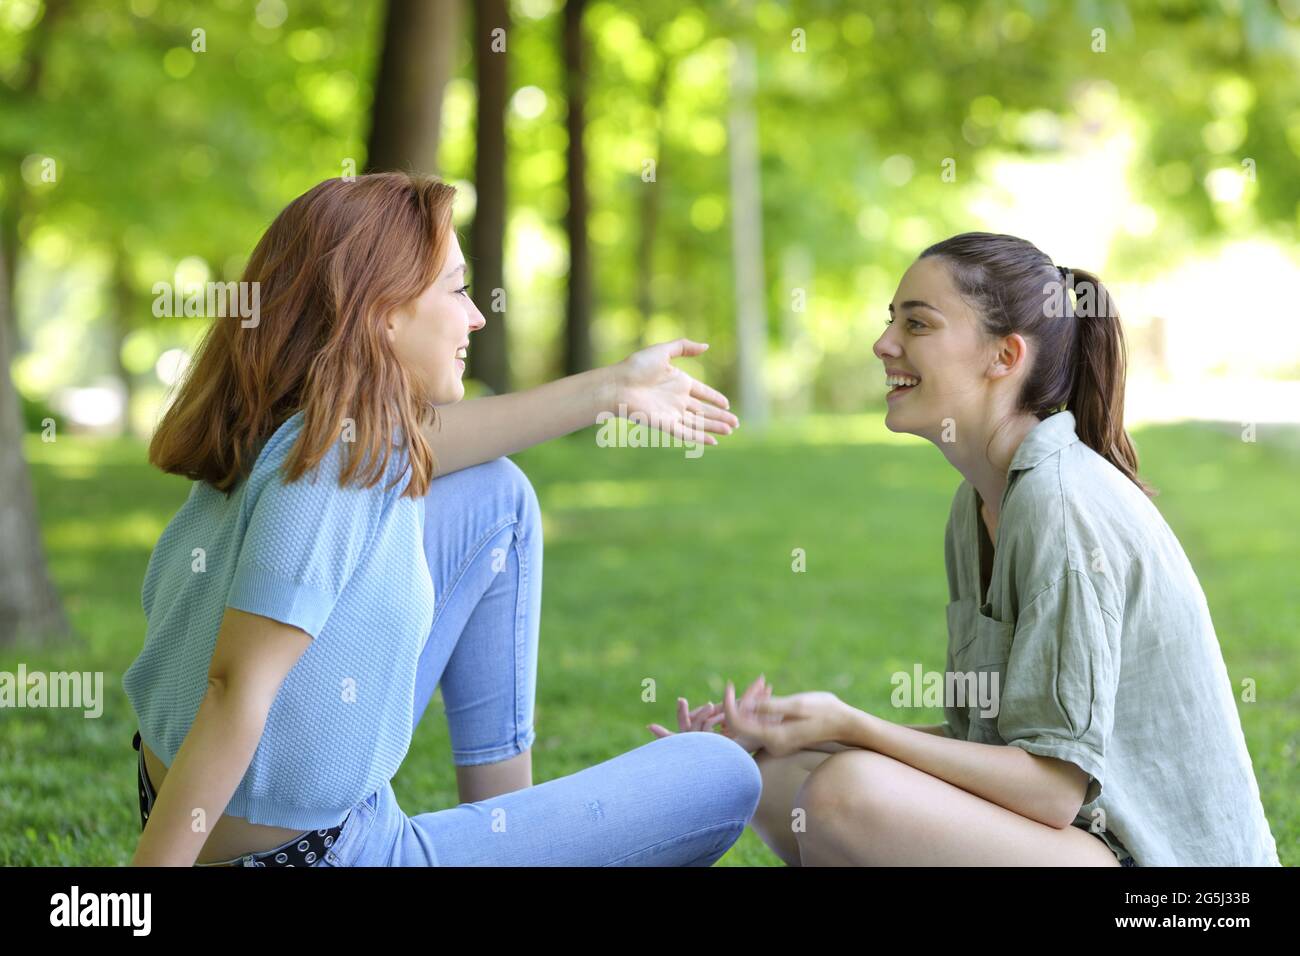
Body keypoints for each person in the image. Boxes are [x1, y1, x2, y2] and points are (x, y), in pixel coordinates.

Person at [124, 171, 760, 867]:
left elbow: (451, 448)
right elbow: (233, 686)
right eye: (457, 290)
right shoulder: (332, 464)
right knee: (721, 772)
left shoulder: (306, 425)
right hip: (325, 854)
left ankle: (500, 823)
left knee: (495, 496)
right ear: (384, 311)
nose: (477, 315)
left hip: (262, 812)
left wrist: (614, 387)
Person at [655, 232, 1281, 867]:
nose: (884, 344)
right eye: (890, 321)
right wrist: (786, 734)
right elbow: (982, 746)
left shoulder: (1060, 508)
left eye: (917, 323)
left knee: (849, 795)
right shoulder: (979, 501)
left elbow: (1051, 791)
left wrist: (851, 727)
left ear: (1004, 357)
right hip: (1077, 844)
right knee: (768, 773)